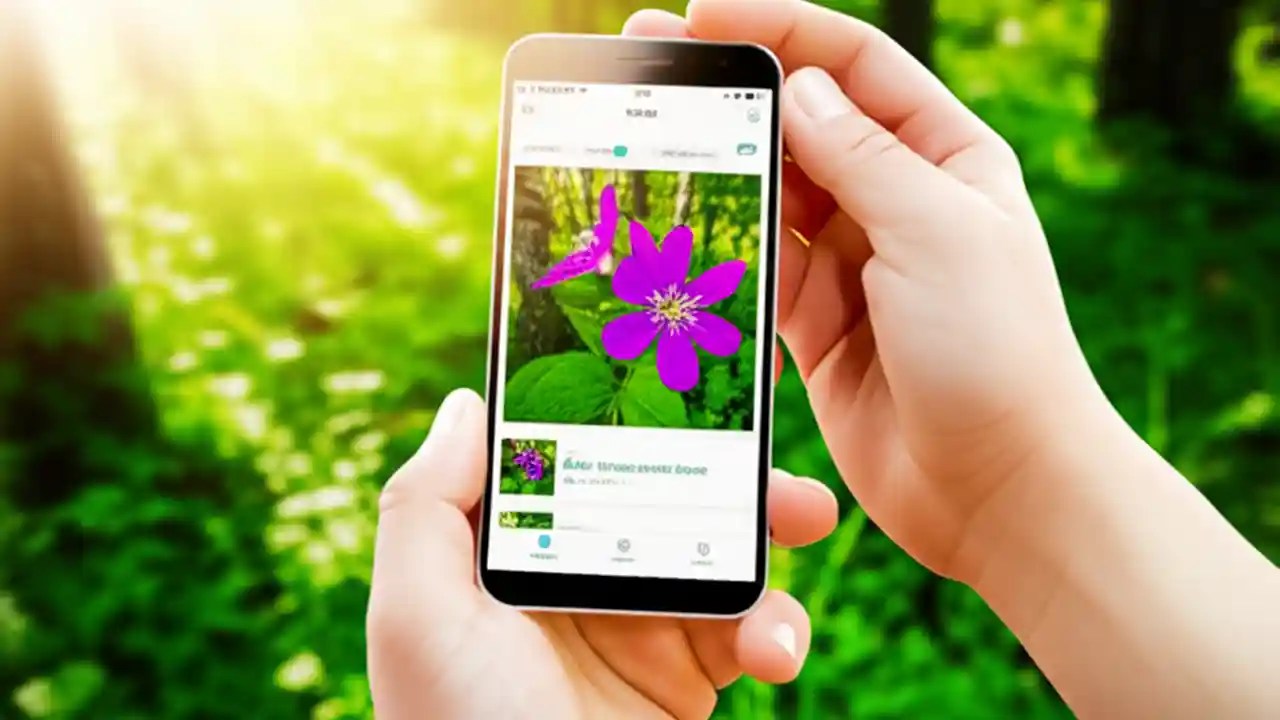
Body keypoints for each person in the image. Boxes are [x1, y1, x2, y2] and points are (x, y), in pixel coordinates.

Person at [365, 1, 1280, 717]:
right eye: (656, 298)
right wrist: (1022, 485)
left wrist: (1019, 477)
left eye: (675, 298)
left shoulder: (681, 323)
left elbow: (691, 329)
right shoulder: (630, 307)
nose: (672, 305)